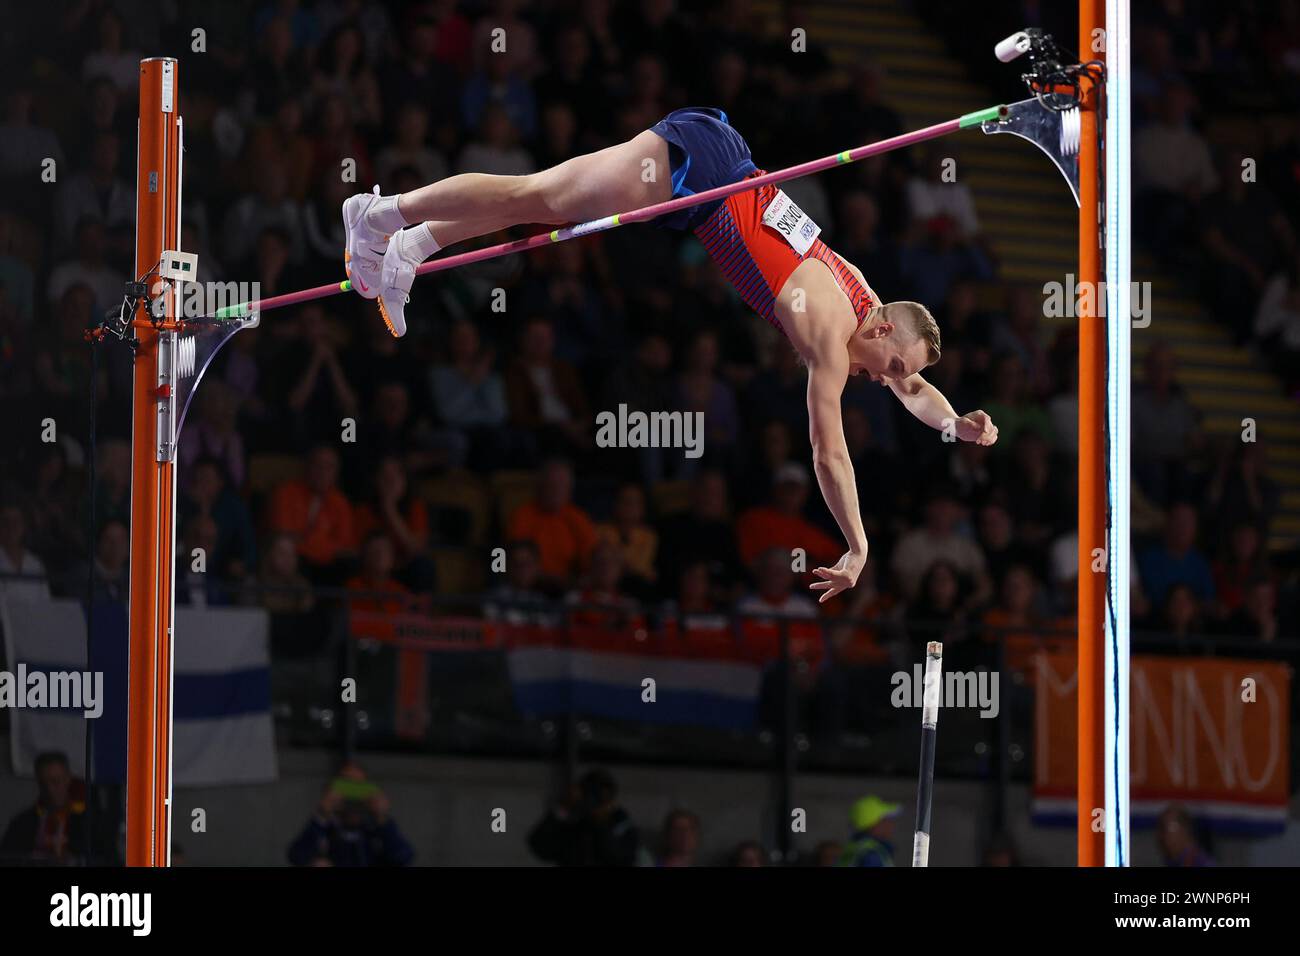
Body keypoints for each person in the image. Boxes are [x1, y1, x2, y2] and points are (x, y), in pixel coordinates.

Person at [341, 107, 998, 602]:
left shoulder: (870, 307)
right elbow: (829, 453)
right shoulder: (830, 335)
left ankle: (410, 249)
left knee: (540, 209)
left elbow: (914, 390)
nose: (884, 383)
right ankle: (379, 214)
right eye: (889, 370)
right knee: (536, 197)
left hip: (710, 189)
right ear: (882, 335)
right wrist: (857, 546)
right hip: (701, 171)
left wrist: (952, 422)